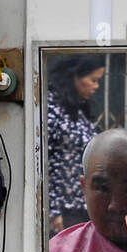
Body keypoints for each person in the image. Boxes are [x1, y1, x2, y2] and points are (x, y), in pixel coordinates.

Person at [45, 54, 106, 234]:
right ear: (74, 76)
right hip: (61, 211)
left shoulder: (76, 109)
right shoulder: (51, 108)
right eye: (92, 80)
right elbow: (40, 163)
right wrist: (52, 211)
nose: (96, 86)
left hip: (81, 206)